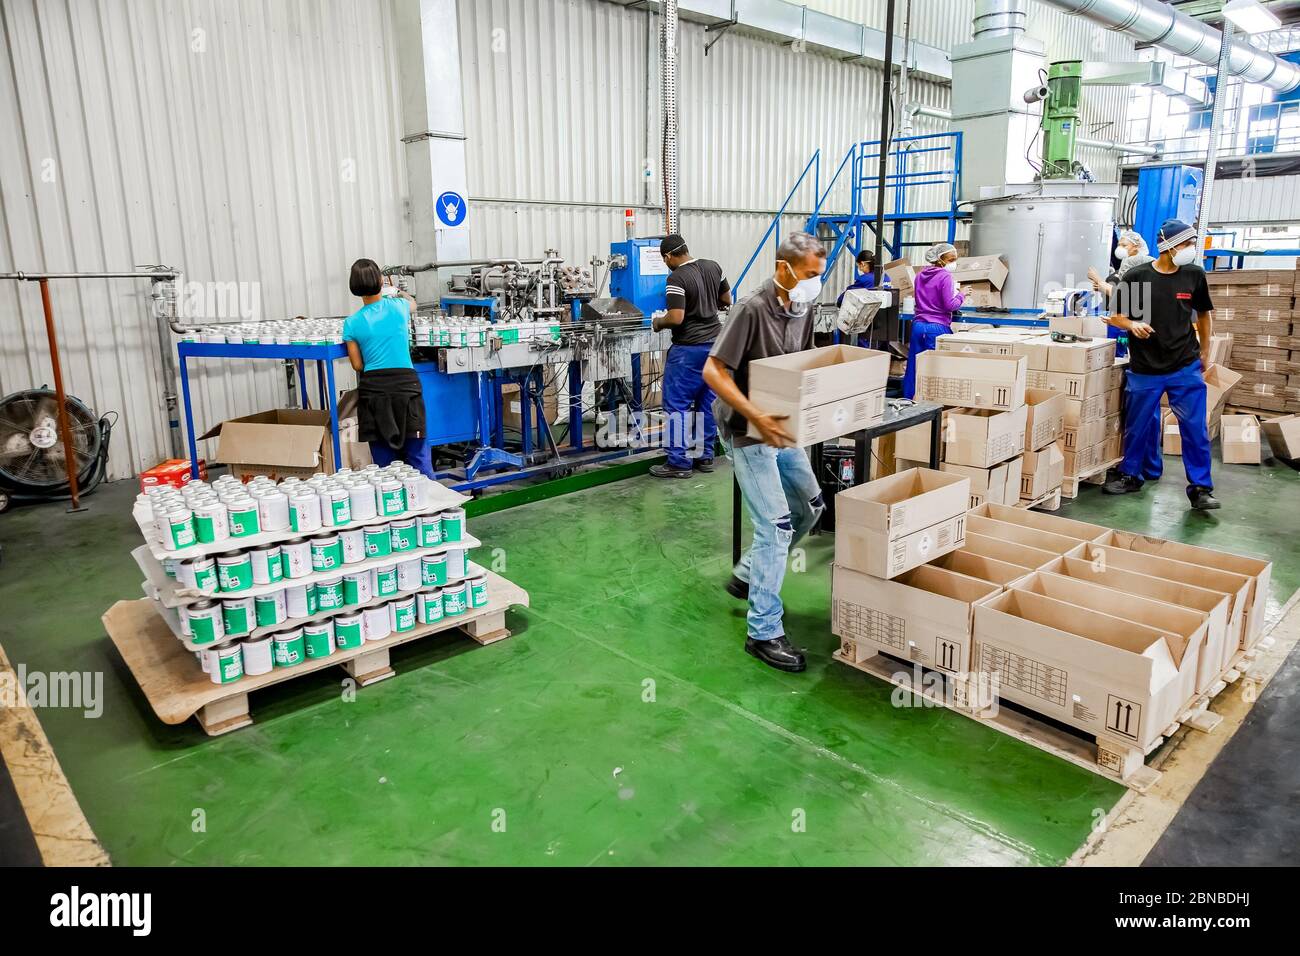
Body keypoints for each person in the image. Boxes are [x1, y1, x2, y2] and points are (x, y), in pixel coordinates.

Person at [702, 232, 827, 673]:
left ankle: (747, 574)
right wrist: (756, 415)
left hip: (783, 425)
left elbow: (806, 359)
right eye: (810, 274)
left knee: (810, 508)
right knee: (774, 527)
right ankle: (763, 632)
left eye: (818, 275)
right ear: (784, 268)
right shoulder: (751, 309)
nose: (814, 283)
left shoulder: (803, 307)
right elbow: (713, 371)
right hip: (745, 430)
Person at [1102, 218, 1219, 511]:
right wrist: (1133, 324)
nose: (1191, 249)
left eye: (1191, 244)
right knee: (1137, 426)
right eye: (1187, 243)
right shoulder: (1138, 277)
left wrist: (1204, 352)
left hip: (1184, 366)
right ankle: (1132, 474)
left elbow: (1203, 315)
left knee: (1194, 428)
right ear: (1168, 245)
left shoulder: (1193, 275)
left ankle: (1201, 488)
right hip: (1145, 368)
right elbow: (1116, 316)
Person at [342, 258, 435, 478]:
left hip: (374, 392)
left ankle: (393, 507)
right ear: (381, 281)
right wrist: (398, 292)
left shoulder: (352, 323)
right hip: (406, 388)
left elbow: (357, 365)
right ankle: (432, 507)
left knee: (385, 466)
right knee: (418, 457)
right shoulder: (399, 307)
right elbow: (413, 303)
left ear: (354, 287)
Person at [649, 234, 732, 479]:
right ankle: (705, 456)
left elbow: (676, 317)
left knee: (677, 405)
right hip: (716, 346)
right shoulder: (713, 266)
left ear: (668, 256)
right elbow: (727, 299)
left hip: (688, 351)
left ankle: (678, 463)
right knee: (708, 403)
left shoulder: (676, 277)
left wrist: (657, 322)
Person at [902, 242, 967, 399]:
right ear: (941, 259)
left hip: (918, 326)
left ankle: (909, 400)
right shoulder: (945, 276)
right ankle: (933, 403)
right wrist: (962, 294)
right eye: (952, 259)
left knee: (914, 367)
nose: (954, 263)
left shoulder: (920, 275)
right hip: (936, 328)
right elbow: (949, 305)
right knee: (937, 370)